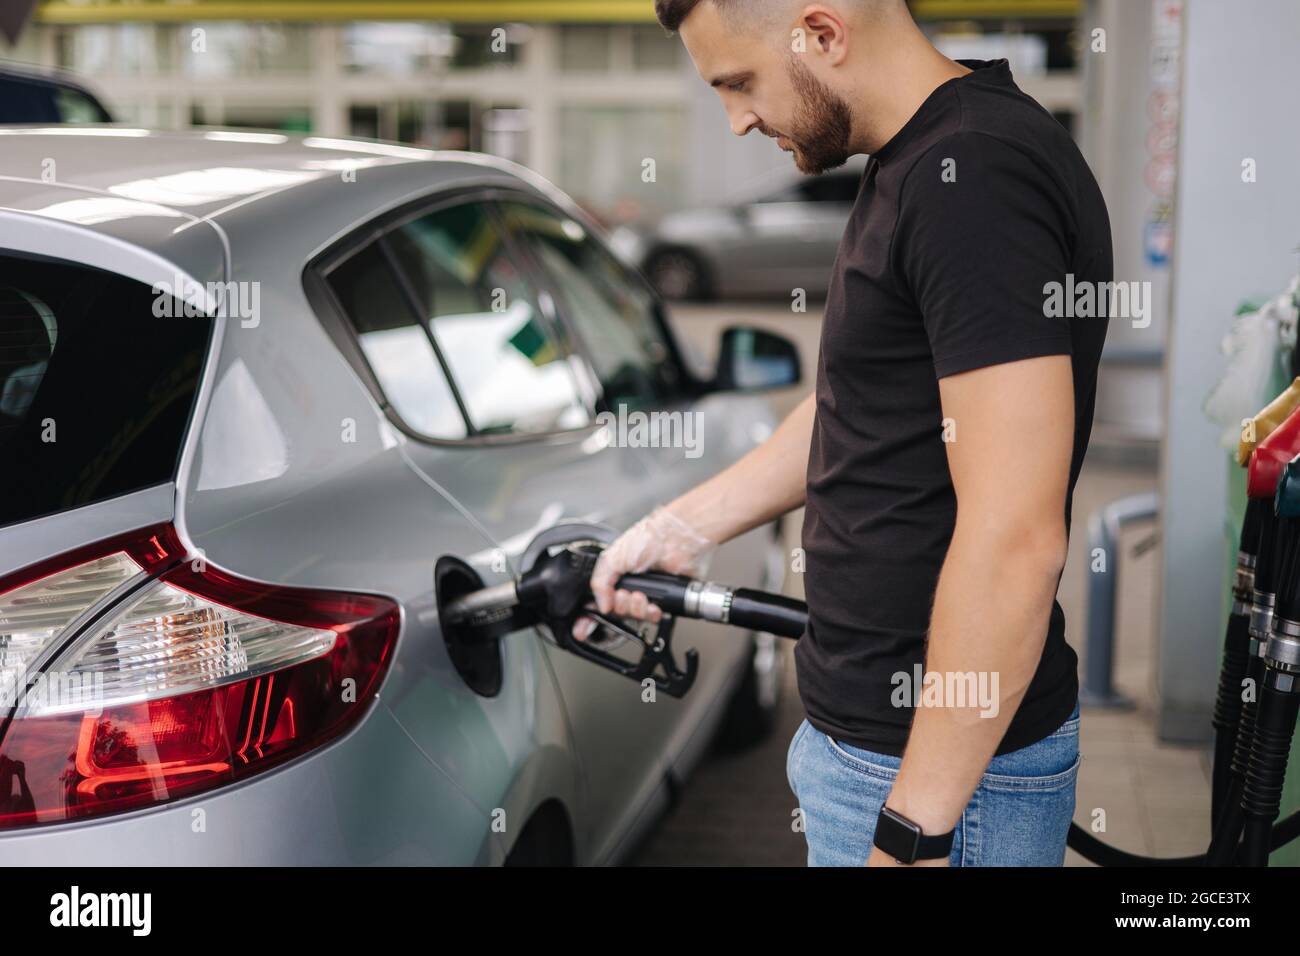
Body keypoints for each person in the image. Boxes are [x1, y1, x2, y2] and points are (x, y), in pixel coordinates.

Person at [576, 0, 1111, 866]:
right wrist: (680, 528)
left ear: (821, 33)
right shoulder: (918, 161)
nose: (738, 118)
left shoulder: (972, 175)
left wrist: (911, 835)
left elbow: (1015, 536)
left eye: (738, 81)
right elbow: (853, 409)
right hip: (879, 753)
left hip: (929, 778)